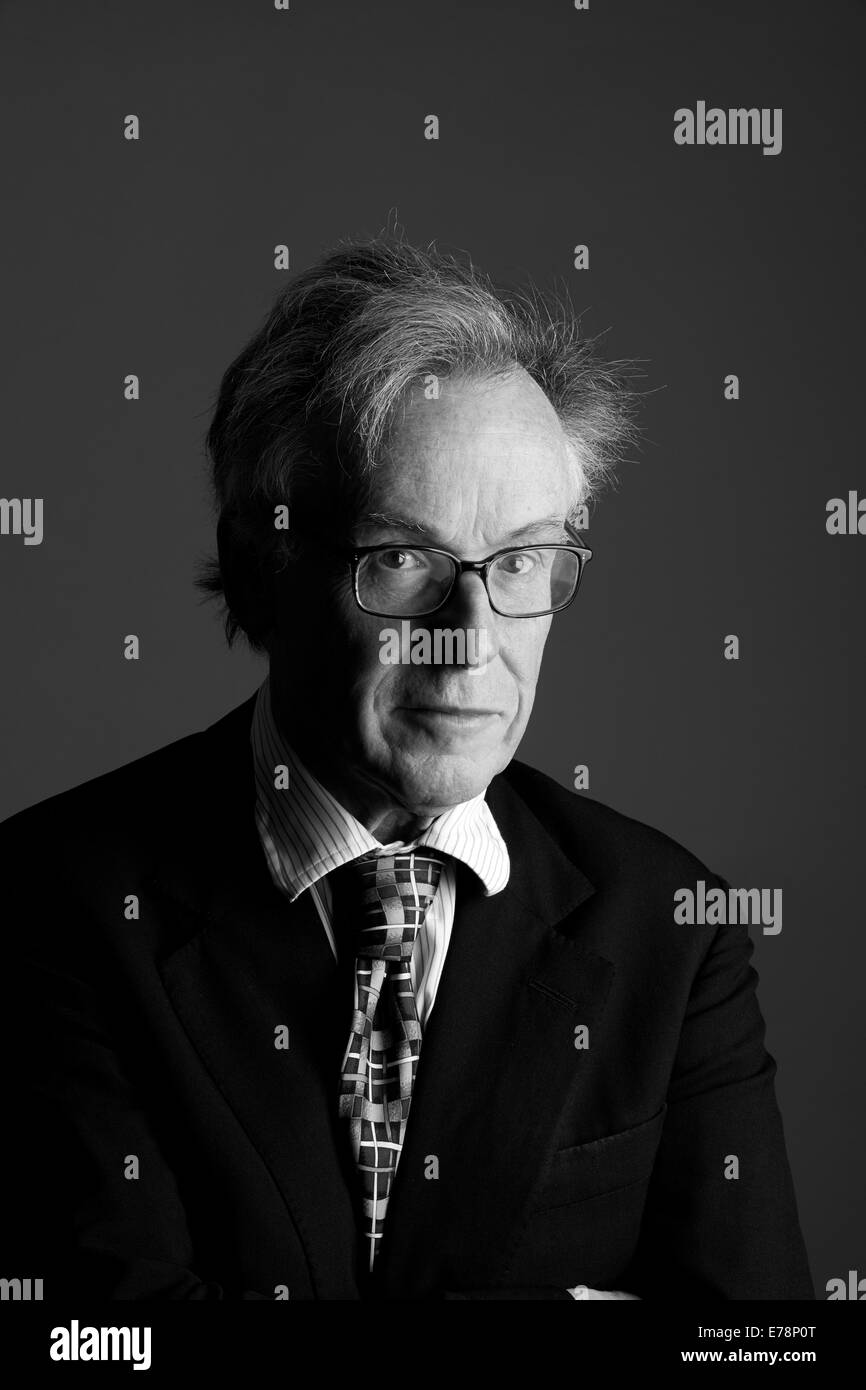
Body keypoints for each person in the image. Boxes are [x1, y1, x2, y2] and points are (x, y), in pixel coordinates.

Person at [0, 235, 813, 1300]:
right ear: (264, 562)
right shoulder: (52, 902)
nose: (469, 636)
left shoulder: (671, 924)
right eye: (403, 558)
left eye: (519, 561)